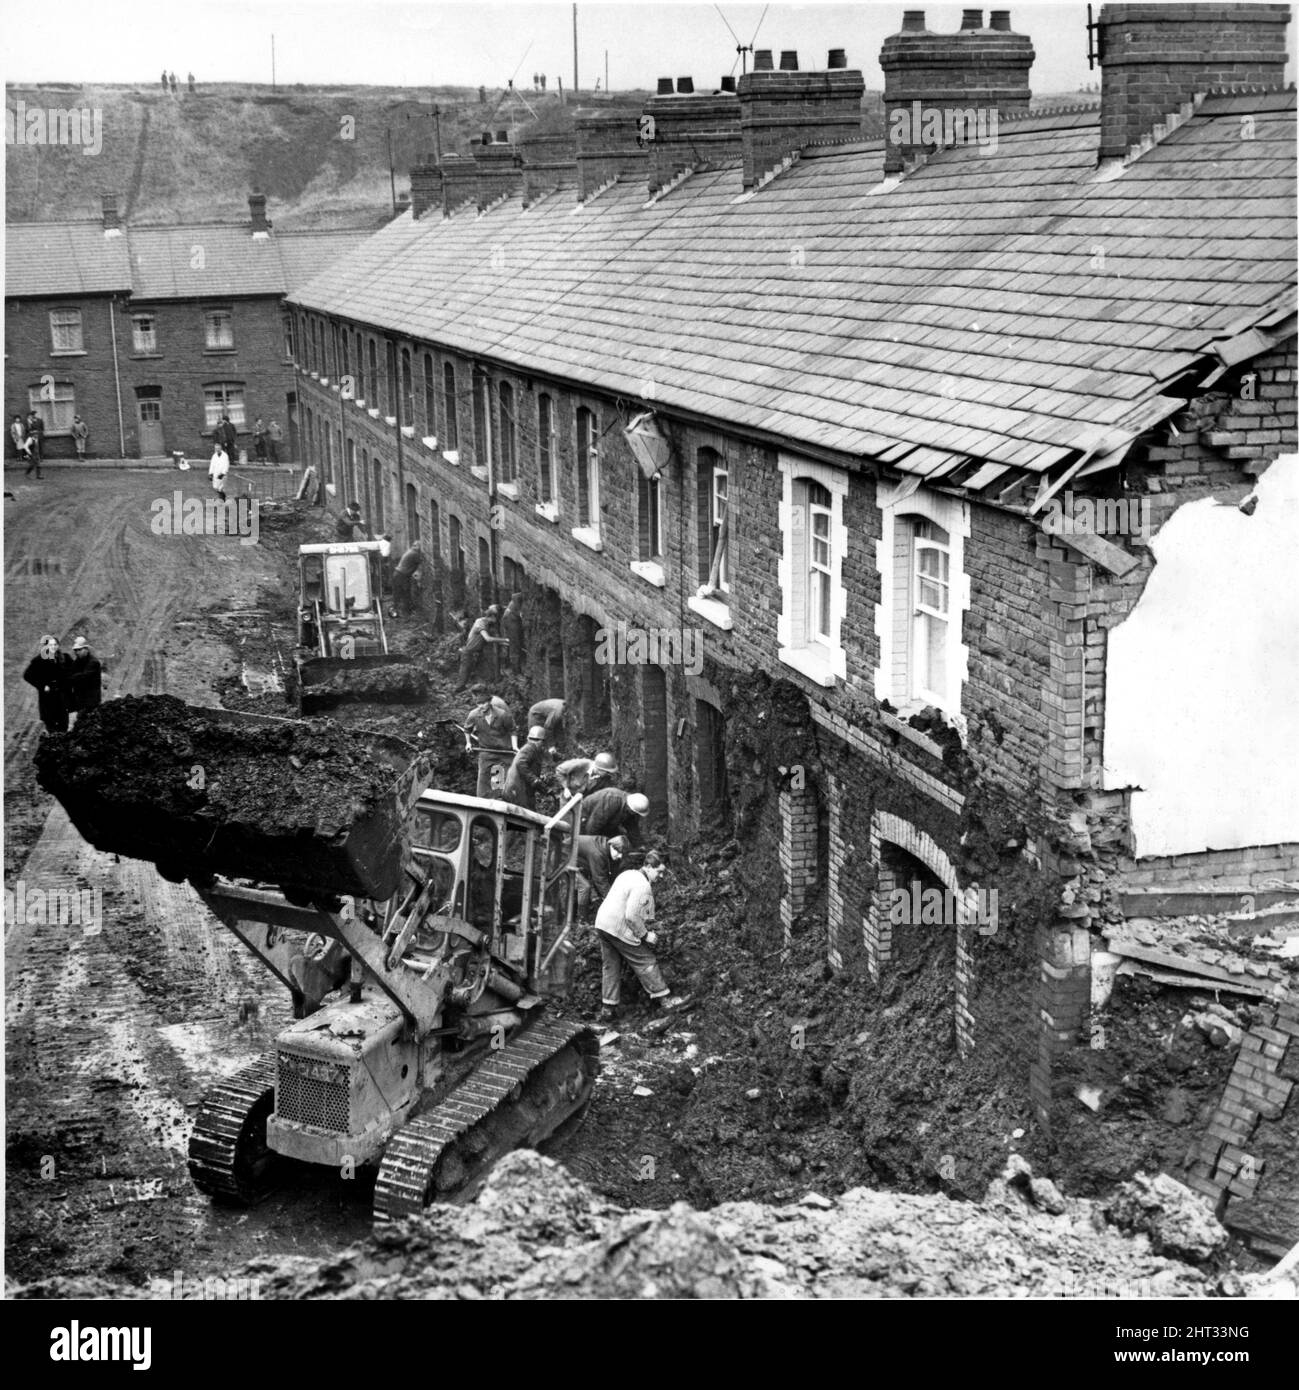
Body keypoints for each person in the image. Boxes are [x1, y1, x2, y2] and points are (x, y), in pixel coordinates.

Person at [595, 851, 673, 1019]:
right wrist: (645, 935)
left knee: (611, 965)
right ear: (649, 866)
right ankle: (665, 999)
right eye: (659, 872)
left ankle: (608, 1008)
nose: (660, 876)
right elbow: (631, 916)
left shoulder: (628, 874)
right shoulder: (643, 885)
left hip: (602, 923)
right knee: (645, 960)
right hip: (617, 926)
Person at [464, 694, 515, 798]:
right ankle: (481, 806)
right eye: (478, 703)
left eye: (483, 703)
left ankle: (496, 802)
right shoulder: (474, 715)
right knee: (483, 784)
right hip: (486, 753)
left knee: (497, 786)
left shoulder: (502, 715)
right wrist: (468, 743)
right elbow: (467, 729)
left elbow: (513, 730)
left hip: (500, 754)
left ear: (489, 702)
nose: (481, 706)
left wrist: (514, 746)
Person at [23, 635, 73, 734]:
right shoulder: (39, 660)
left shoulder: (65, 658)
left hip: (62, 695)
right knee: (49, 722)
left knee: (63, 722)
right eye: (50, 645)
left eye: (55, 644)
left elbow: (74, 670)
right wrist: (42, 685)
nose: (53, 647)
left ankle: (62, 743)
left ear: (58, 646)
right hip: (47, 696)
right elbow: (27, 675)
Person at [455, 605, 509, 691]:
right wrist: (505, 640)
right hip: (469, 651)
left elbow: (492, 639)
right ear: (491, 616)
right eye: (496, 618)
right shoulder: (480, 622)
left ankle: (471, 689)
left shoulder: (487, 624)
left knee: (476, 672)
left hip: (477, 653)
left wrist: (504, 643)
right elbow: (488, 639)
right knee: (465, 671)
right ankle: (458, 690)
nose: (496, 621)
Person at [575, 832, 627, 921]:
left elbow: (607, 875)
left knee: (593, 886)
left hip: (578, 860)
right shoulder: (598, 854)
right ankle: (581, 920)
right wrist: (613, 901)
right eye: (618, 852)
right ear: (611, 845)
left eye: (622, 853)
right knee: (585, 887)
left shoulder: (605, 845)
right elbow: (600, 880)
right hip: (563, 858)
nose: (620, 856)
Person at [503, 725, 547, 811]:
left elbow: (526, 767)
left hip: (521, 790)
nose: (542, 745)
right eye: (542, 742)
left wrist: (538, 778)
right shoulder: (529, 749)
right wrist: (534, 779)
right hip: (518, 791)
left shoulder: (532, 750)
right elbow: (521, 763)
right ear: (541, 741)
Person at [581, 787, 650, 839]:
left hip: (605, 823)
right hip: (584, 820)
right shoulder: (611, 800)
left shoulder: (630, 806)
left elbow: (632, 827)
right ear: (631, 809)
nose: (635, 815)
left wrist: (639, 845)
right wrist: (593, 843)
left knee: (619, 840)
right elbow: (593, 825)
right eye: (635, 813)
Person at [67, 636, 103, 723]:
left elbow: (84, 676)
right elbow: (71, 672)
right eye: (75, 650)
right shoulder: (78, 661)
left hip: (91, 700)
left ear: (86, 649)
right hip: (80, 700)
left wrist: (70, 678)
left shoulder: (93, 662)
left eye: (79, 650)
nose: (77, 652)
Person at [391, 542, 422, 616]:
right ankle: (406, 612)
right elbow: (421, 562)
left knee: (399, 593)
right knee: (405, 593)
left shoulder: (410, 551)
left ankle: (398, 610)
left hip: (398, 574)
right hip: (401, 575)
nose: (420, 549)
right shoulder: (414, 554)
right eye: (419, 547)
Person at [501, 592, 525, 672]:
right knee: (515, 644)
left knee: (516, 643)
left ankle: (515, 666)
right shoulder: (518, 598)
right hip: (511, 621)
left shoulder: (517, 599)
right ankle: (515, 669)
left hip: (512, 620)